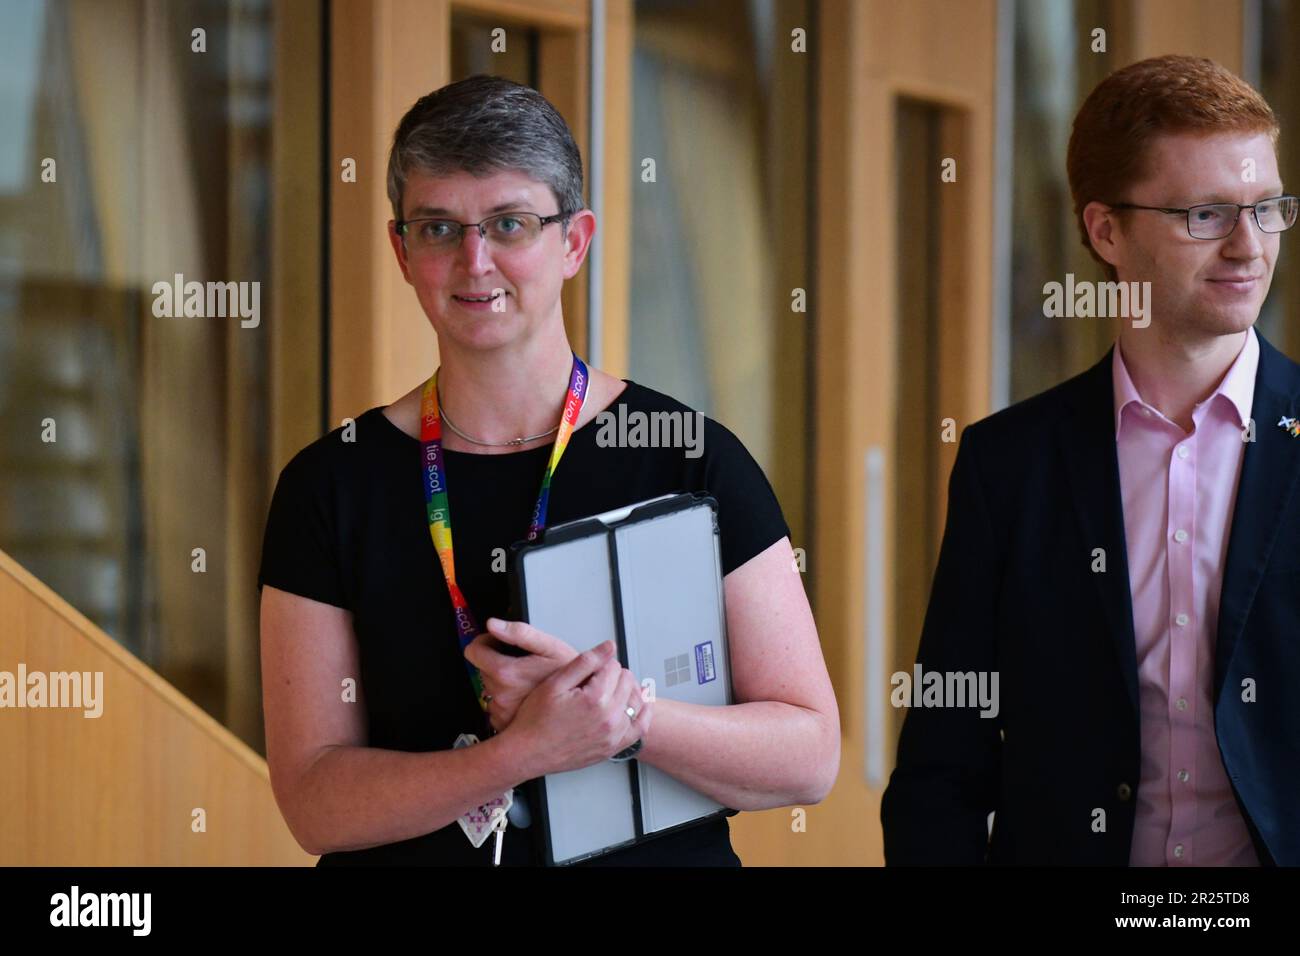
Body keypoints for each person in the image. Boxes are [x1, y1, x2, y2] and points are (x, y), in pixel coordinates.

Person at [257, 74, 839, 866]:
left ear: (574, 242)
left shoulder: (688, 456)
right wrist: (518, 753)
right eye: (438, 228)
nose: (475, 261)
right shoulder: (330, 486)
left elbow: (809, 755)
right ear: (401, 251)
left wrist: (623, 717)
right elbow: (313, 803)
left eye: (510, 224)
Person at [881, 55, 1300, 865]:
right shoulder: (1009, 467)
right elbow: (943, 763)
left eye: (1268, 208)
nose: (1250, 246)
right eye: (1207, 214)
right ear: (1107, 230)